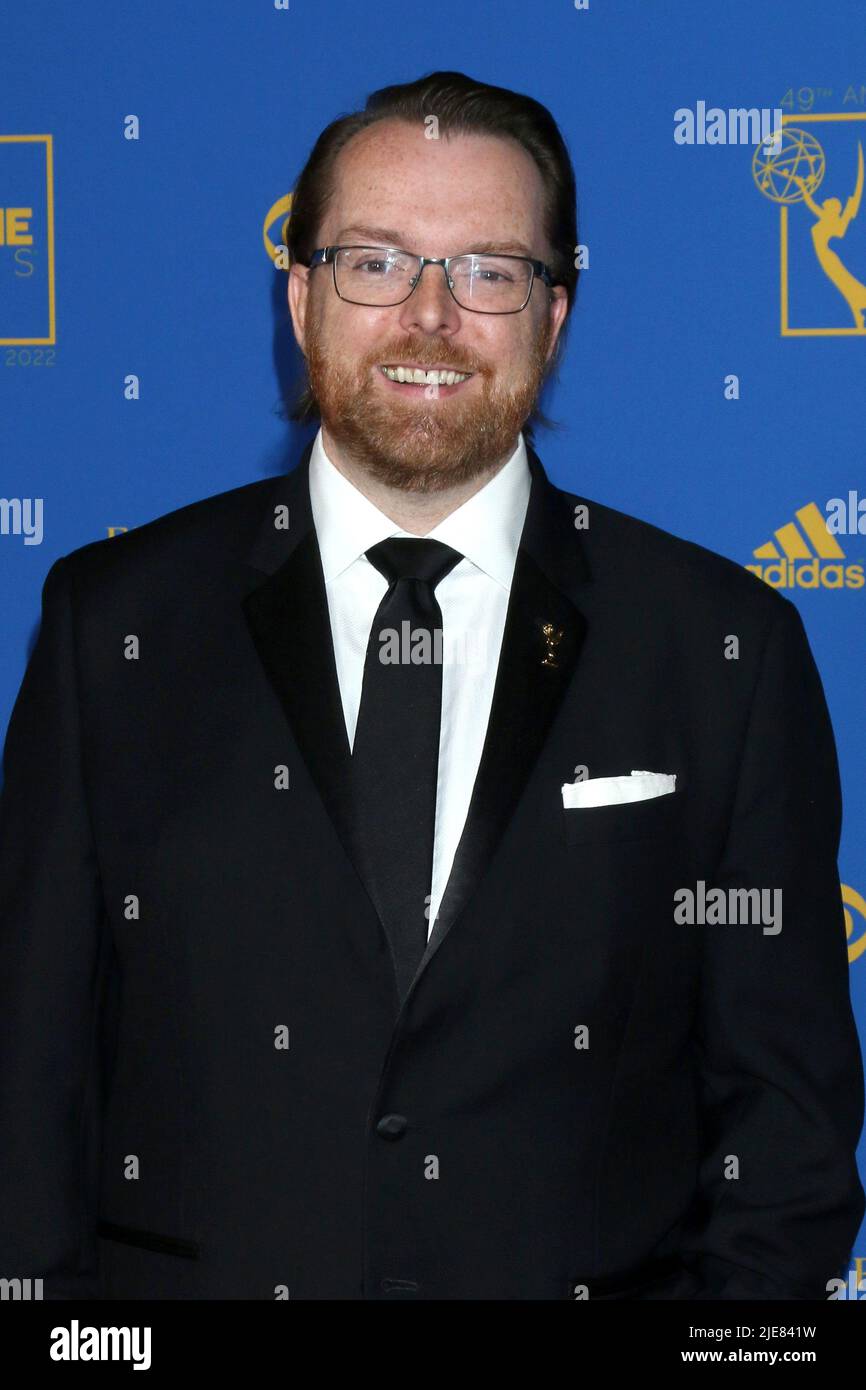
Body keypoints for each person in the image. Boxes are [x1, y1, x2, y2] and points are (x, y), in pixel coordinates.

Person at [0, 70, 862, 1301]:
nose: (428, 316)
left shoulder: (720, 650)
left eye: (487, 271)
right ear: (300, 299)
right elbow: (28, 1086)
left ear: (552, 315)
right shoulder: (114, 628)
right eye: (375, 263)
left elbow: (783, 1137)